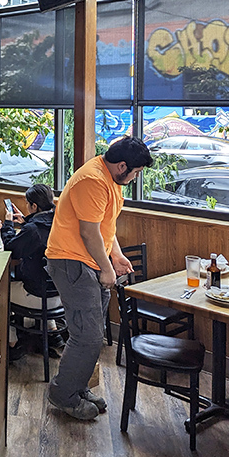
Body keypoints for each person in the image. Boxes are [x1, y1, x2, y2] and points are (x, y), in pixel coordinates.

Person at [45, 136, 153, 421]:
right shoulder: (92, 180)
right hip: (72, 262)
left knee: (90, 335)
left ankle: (76, 387)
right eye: (135, 172)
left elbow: (106, 226)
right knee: (88, 336)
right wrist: (106, 269)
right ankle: (62, 393)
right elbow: (88, 232)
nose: (135, 177)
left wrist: (115, 257)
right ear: (121, 166)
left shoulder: (110, 180)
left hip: (90, 261)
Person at [0, 183, 61, 360]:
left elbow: (10, 249)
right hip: (61, 295)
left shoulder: (33, 231)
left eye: (28, 204)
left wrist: (9, 223)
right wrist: (27, 220)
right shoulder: (61, 221)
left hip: (38, 297)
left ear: (34, 206)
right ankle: (52, 332)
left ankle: (12, 344)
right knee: (43, 277)